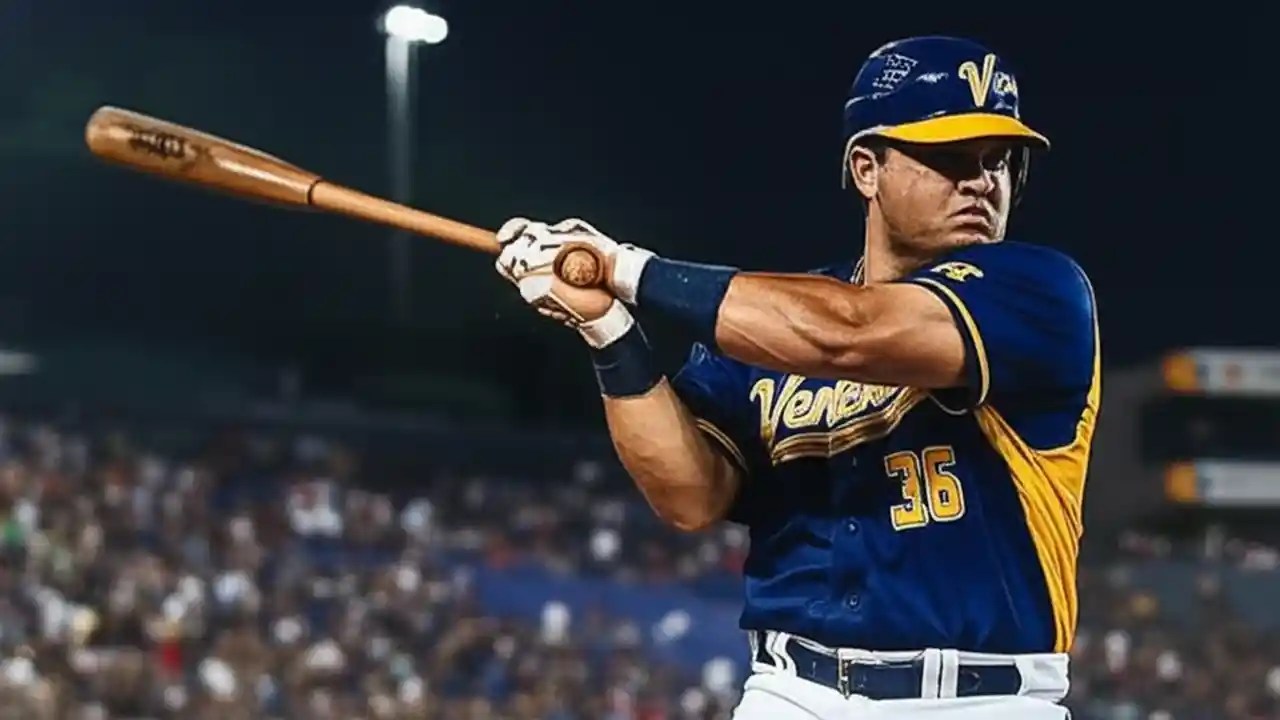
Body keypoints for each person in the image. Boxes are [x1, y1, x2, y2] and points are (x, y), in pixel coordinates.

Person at [493, 35, 1098, 719]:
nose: (982, 181)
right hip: (793, 692)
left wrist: (628, 268)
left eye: (1000, 162)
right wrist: (607, 329)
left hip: (980, 698)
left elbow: (849, 334)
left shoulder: (1039, 292)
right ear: (867, 169)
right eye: (951, 157)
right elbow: (690, 497)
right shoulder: (775, 316)